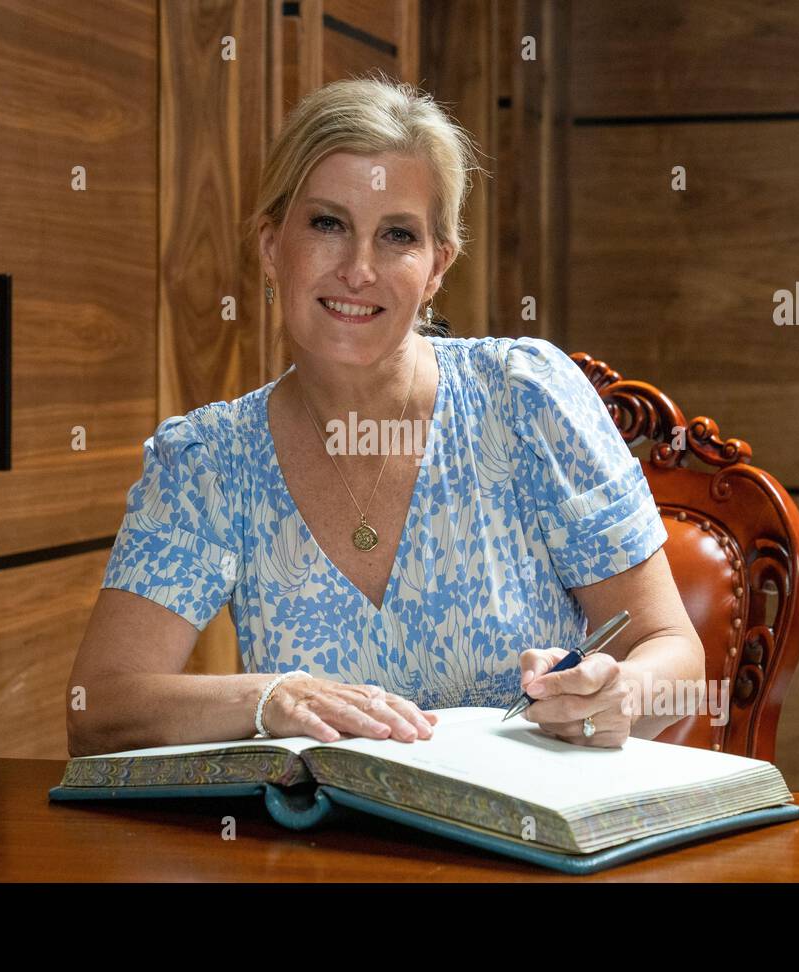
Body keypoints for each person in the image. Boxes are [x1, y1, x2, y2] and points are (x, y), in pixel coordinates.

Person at [67, 73, 704, 757]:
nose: (358, 270)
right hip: (326, 855)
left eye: (397, 235)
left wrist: (619, 693)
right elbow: (97, 706)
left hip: (535, 849)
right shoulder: (209, 461)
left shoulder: (525, 400)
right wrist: (272, 698)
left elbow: (677, 659)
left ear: (436, 268)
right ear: (270, 244)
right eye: (327, 224)